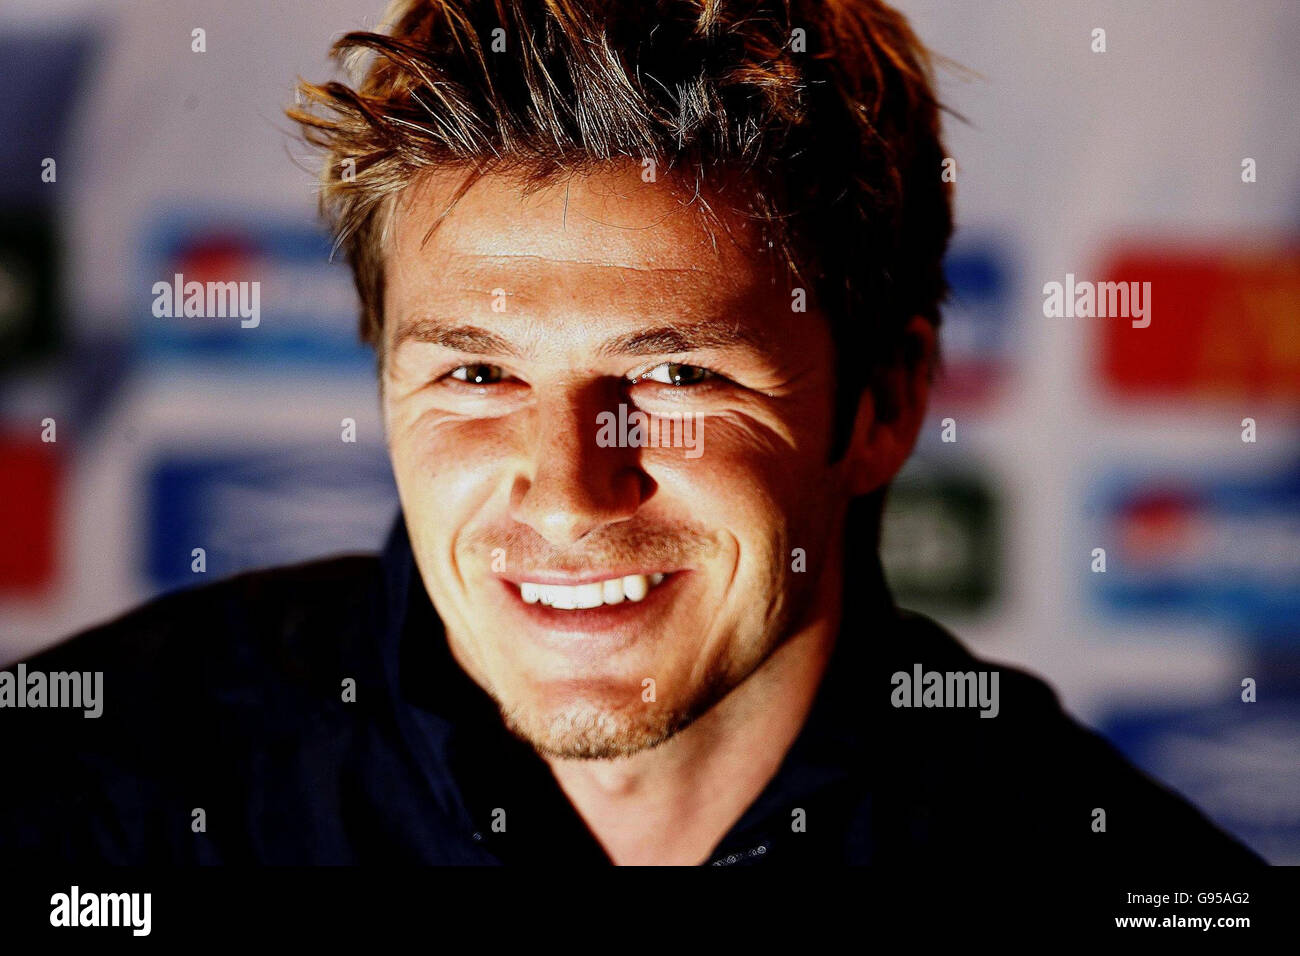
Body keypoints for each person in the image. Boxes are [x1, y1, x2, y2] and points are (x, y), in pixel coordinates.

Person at [0, 0, 1261, 866]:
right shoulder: (83, 798)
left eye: (675, 376)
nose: (564, 492)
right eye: (479, 372)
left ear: (883, 405)